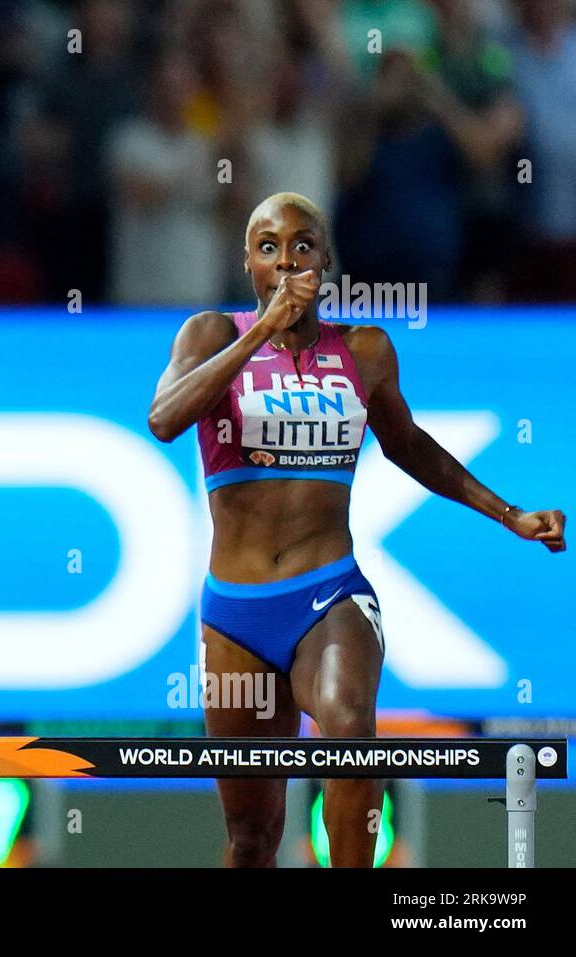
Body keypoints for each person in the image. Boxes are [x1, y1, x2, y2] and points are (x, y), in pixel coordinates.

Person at [148, 192, 565, 866]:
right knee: (251, 838)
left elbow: (410, 445)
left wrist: (509, 512)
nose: (287, 259)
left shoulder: (364, 350)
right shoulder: (211, 334)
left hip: (329, 593)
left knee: (348, 728)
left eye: (303, 244)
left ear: (327, 260)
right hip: (235, 614)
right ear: (248, 262)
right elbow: (164, 417)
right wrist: (262, 331)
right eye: (268, 246)